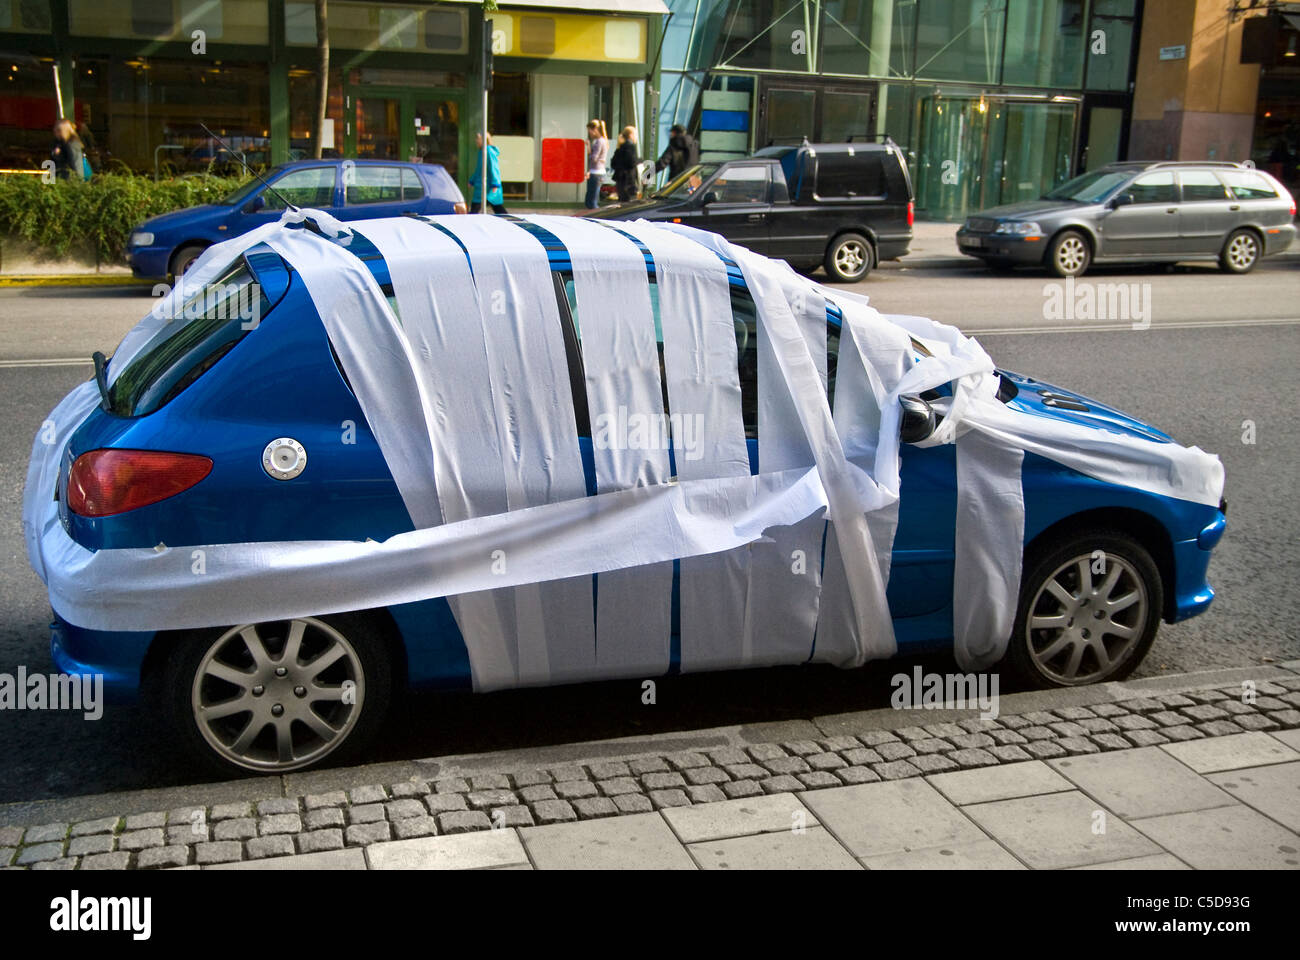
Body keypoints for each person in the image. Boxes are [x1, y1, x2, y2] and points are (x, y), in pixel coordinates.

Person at [468, 132, 505, 214]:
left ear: (483, 140)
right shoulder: (482, 151)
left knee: (475, 210)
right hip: (481, 187)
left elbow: (494, 167)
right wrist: (472, 180)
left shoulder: (488, 151)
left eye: (478, 138)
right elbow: (479, 170)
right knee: (498, 208)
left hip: (487, 188)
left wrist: (495, 184)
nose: (476, 140)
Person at [611, 125, 641, 202]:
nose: (636, 137)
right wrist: (640, 161)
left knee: (622, 201)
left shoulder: (620, 147)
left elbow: (613, 163)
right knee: (629, 204)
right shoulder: (631, 146)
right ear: (631, 135)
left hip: (620, 180)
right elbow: (631, 162)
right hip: (629, 180)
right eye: (635, 134)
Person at [585, 119, 608, 210]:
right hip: (597, 172)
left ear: (594, 130)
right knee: (591, 199)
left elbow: (594, 158)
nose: (589, 133)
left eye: (589, 131)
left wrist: (589, 148)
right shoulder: (602, 141)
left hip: (596, 172)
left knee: (591, 201)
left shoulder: (599, 142)